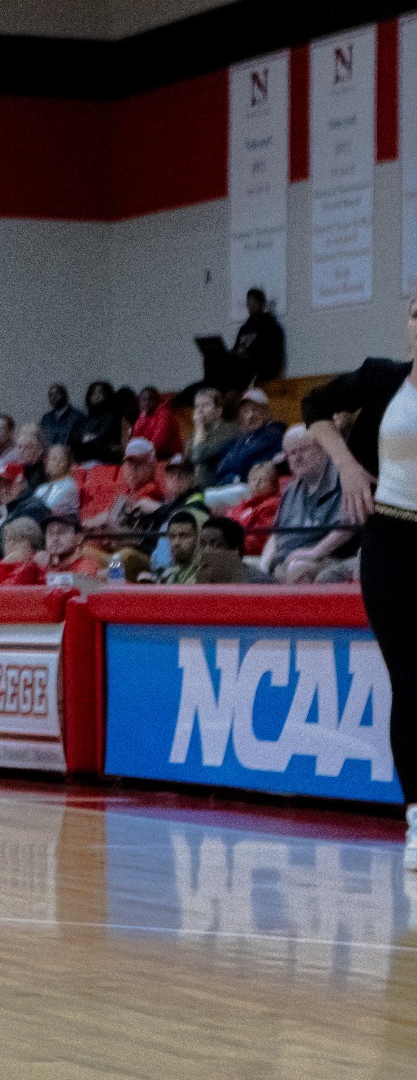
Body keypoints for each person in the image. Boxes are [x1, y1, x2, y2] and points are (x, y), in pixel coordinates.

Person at [299, 301, 416, 863]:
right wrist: (345, 462)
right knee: (411, 682)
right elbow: (314, 404)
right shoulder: (383, 378)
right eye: (416, 310)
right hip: (392, 539)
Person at [258, 424, 356, 582]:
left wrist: (314, 552)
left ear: (323, 448)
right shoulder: (290, 489)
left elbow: (350, 525)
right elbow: (276, 535)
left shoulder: (344, 480)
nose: (297, 458)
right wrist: (262, 566)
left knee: (298, 569)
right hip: (285, 560)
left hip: (328, 558)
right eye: (291, 453)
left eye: (303, 449)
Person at [213, 388, 283, 484]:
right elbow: (222, 468)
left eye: (255, 410)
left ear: (266, 412)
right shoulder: (243, 438)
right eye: (246, 411)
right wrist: (234, 478)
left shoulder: (273, 435)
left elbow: (253, 467)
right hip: (235, 486)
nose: (250, 416)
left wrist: (236, 474)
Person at [221, 287, 287, 387]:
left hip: (257, 368)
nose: (250, 306)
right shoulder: (244, 328)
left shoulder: (271, 327)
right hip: (241, 365)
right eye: (249, 303)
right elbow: (237, 349)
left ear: (261, 304)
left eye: (254, 303)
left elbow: (271, 356)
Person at [226, 460, 283, 554]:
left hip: (245, 552)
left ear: (273, 485)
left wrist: (229, 545)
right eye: (253, 480)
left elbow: (260, 539)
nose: (256, 484)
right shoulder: (243, 506)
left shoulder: (271, 505)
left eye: (262, 480)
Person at [186, 386, 238, 487]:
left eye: (205, 405)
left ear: (219, 410)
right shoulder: (195, 434)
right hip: (197, 489)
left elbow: (198, 457)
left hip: (218, 487)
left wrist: (199, 426)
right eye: (197, 406)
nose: (199, 411)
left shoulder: (229, 431)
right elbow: (188, 459)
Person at [73, 381, 125, 466]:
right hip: (84, 461)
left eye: (100, 393)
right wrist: (87, 439)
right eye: (93, 393)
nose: (96, 396)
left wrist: (86, 439)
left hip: (104, 462)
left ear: (107, 395)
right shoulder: (85, 419)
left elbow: (101, 439)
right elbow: (74, 440)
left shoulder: (112, 417)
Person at [39, 514, 103, 581]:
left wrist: (40, 570)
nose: (55, 538)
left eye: (62, 532)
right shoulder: (43, 565)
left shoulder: (86, 565)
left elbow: (76, 584)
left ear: (78, 538)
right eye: (51, 533)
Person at [0, 517, 45, 586]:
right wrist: (4, 564)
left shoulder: (34, 568)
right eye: (8, 540)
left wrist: (3, 565)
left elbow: (7, 590)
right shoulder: (1, 567)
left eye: (17, 540)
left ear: (32, 544)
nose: (11, 544)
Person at [131, 386, 182, 460]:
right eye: (143, 400)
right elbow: (135, 440)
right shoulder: (141, 417)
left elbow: (160, 443)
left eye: (150, 399)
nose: (146, 402)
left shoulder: (164, 414)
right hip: (149, 457)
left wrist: (141, 454)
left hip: (168, 458)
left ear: (157, 401)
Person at [154, 511, 204, 585]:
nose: (176, 543)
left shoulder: (205, 574)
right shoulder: (167, 576)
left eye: (184, 536)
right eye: (172, 536)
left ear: (197, 538)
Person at [32, 443, 79, 517]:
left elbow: (51, 506)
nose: (57, 463)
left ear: (68, 464)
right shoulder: (42, 488)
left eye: (62, 460)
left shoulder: (69, 485)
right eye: (53, 459)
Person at [197, 517, 249, 584]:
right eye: (203, 544)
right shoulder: (201, 577)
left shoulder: (254, 583)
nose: (206, 551)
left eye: (216, 545)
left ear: (235, 550)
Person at [40, 383, 85, 454]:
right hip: (49, 457)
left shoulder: (78, 416)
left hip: (70, 457)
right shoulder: (46, 418)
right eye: (51, 395)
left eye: (57, 394)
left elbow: (80, 440)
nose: (53, 397)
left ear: (65, 395)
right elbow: (41, 440)